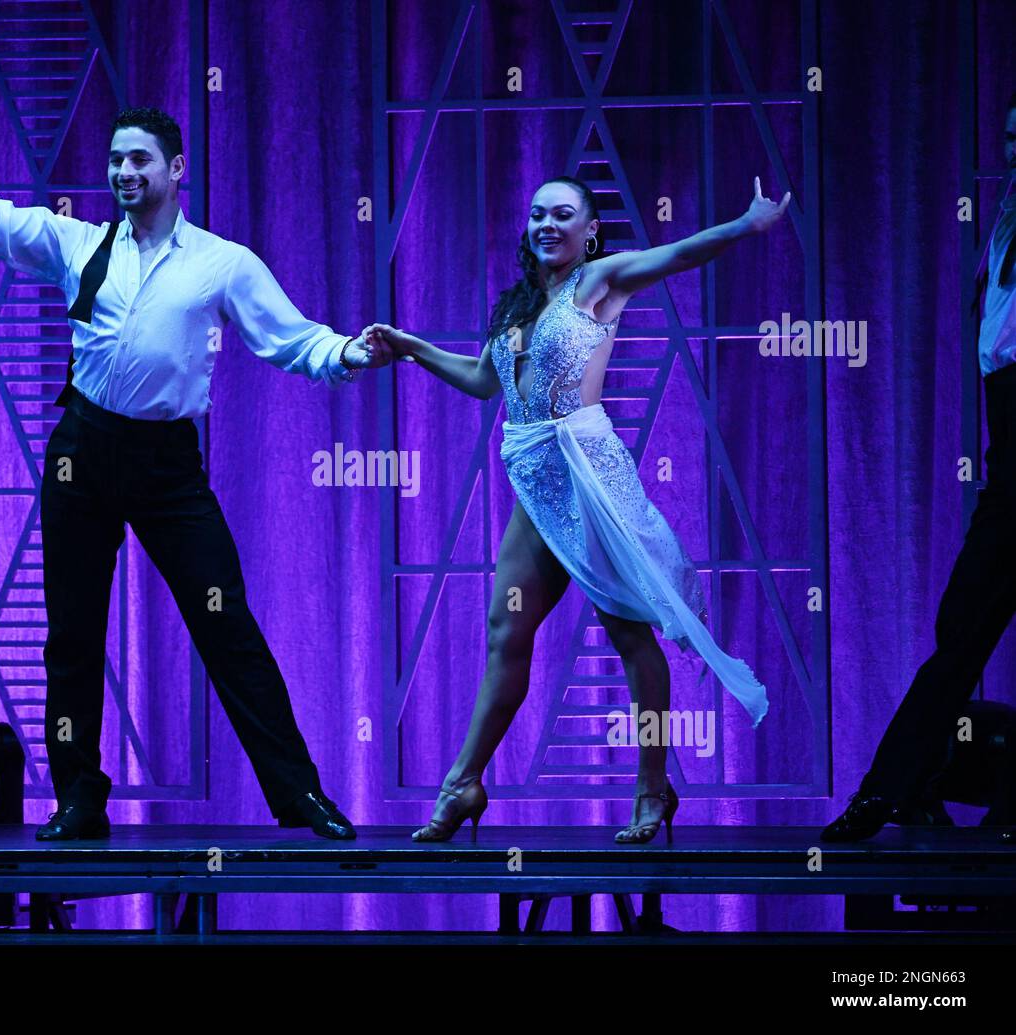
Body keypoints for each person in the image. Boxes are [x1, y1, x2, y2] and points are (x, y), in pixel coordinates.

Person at [0, 107, 389, 841]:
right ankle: (77, 797)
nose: (124, 172)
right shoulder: (78, 241)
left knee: (226, 625)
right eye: (116, 160)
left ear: (176, 170)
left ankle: (300, 794)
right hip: (80, 450)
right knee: (72, 637)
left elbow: (289, 337)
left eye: (140, 160)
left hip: (166, 464)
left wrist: (347, 352)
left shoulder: (222, 261)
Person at [365, 174, 789, 843]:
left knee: (629, 636)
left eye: (564, 215)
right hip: (537, 488)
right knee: (506, 633)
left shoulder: (601, 282)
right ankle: (464, 782)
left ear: (591, 229)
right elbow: (483, 383)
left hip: (590, 481)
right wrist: (411, 347)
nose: (547, 225)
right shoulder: (515, 306)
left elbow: (677, 255)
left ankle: (652, 788)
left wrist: (744, 224)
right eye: (537, 214)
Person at [823, 92, 1016, 843]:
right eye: (1008, 135)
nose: (1013, 148)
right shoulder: (1000, 228)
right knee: (958, 631)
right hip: (1009, 453)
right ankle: (894, 789)